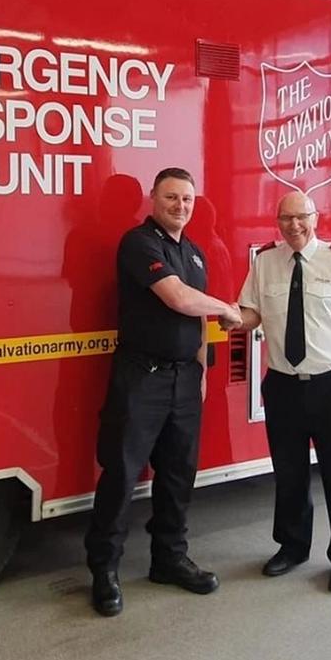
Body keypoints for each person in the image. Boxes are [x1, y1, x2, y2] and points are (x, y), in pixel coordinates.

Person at [84, 168, 244, 617]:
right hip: (141, 378)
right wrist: (227, 310)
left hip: (183, 381)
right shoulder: (139, 243)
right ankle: (104, 571)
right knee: (121, 475)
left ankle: (169, 559)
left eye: (188, 199)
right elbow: (178, 299)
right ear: (154, 198)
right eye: (172, 197)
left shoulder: (194, 252)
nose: (181, 206)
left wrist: (201, 372)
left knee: (178, 475)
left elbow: (194, 319)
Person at [235, 191, 331, 593]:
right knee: (289, 473)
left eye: (301, 217)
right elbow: (252, 313)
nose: (294, 226)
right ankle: (293, 546)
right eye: (285, 219)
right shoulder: (264, 263)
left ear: (316, 218)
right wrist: (231, 316)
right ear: (277, 222)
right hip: (283, 386)